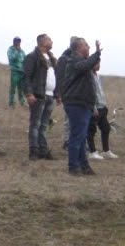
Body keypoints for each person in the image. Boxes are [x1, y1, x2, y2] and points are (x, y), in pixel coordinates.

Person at [58, 38, 102, 174]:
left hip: (83, 105)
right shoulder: (73, 61)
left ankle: (84, 166)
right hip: (76, 104)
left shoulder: (80, 62)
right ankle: (73, 167)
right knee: (77, 136)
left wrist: (91, 106)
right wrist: (97, 54)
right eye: (86, 45)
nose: (88, 47)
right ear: (79, 48)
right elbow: (85, 65)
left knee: (81, 137)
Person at [23, 34, 58, 161]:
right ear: (42, 42)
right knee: (35, 124)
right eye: (49, 39)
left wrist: (57, 94)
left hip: (49, 96)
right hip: (38, 95)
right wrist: (29, 93)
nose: (52, 41)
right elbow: (26, 77)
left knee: (44, 125)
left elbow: (54, 77)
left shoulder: (51, 58)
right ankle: (34, 151)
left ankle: (43, 150)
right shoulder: (32, 57)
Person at [7, 36, 26, 107]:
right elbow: (12, 58)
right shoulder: (10, 49)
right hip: (15, 71)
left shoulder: (22, 51)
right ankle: (11, 103)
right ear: (13, 41)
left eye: (19, 41)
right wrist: (17, 51)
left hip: (22, 72)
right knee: (13, 88)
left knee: (21, 88)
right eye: (16, 41)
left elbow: (25, 60)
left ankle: (22, 103)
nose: (18, 42)